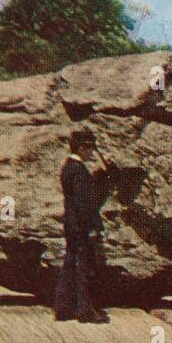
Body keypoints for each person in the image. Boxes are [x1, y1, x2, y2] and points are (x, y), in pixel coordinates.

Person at [54, 132, 108, 323]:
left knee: (69, 264)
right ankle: (85, 312)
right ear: (82, 148)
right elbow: (83, 202)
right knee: (83, 268)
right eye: (90, 148)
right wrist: (91, 227)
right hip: (80, 225)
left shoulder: (67, 167)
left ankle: (62, 309)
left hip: (71, 224)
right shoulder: (78, 170)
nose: (91, 153)